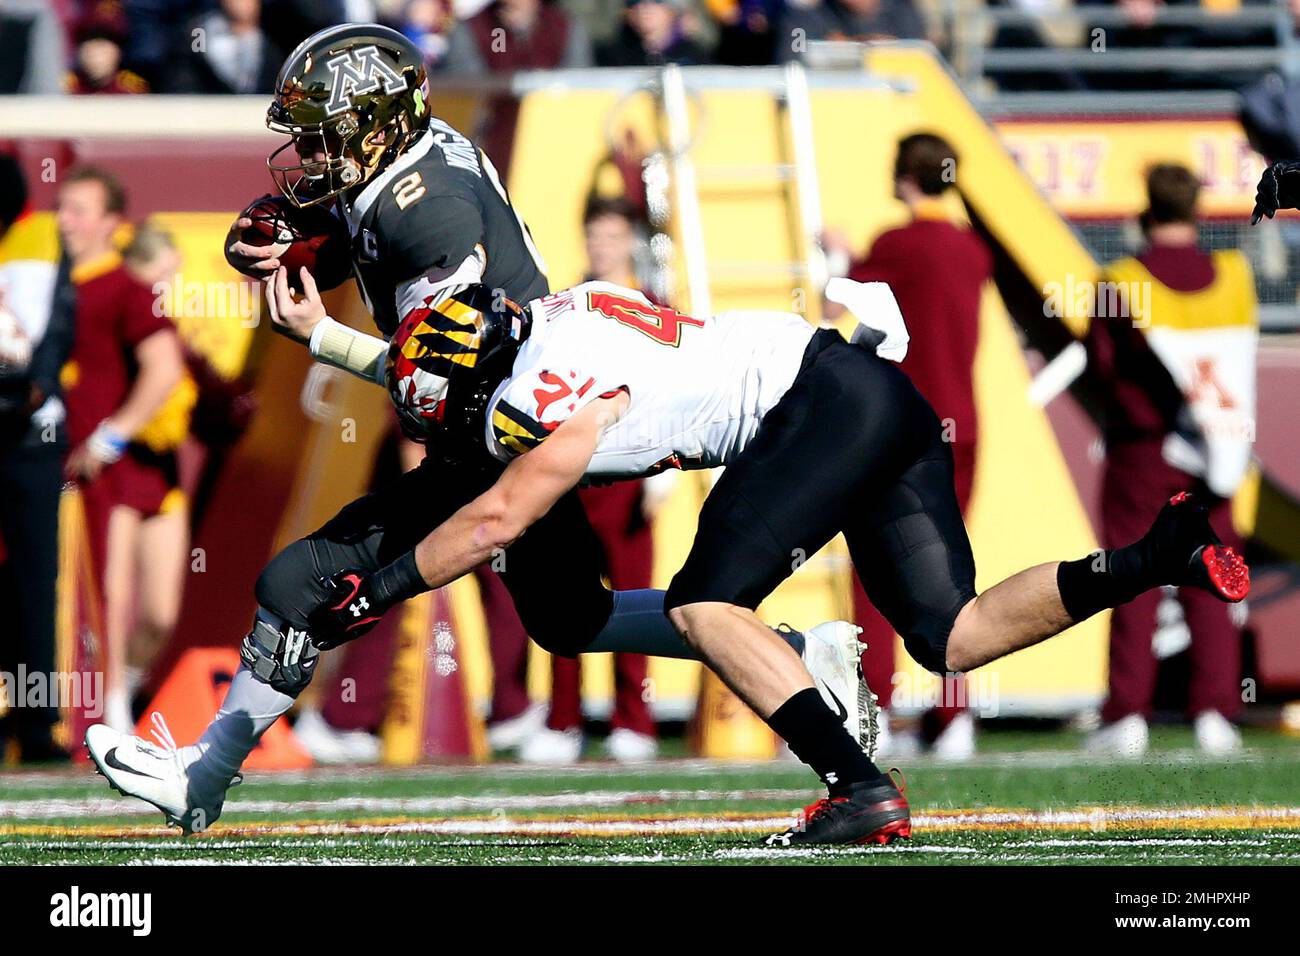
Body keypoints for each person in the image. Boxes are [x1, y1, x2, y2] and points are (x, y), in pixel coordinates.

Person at [85, 24, 867, 833]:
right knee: (566, 618)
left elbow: (432, 376)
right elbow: (346, 222)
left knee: (300, 583)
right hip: (512, 414)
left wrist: (321, 338)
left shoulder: (433, 216)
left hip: (498, 427)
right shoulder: (406, 158)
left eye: (322, 139)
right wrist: (284, 233)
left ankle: (203, 778)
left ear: (378, 127)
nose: (307, 158)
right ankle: (794, 661)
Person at [305, 268, 1248, 847]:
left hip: (819, 404)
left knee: (701, 606)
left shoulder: (531, 403)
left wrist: (374, 589)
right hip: (872, 387)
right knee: (949, 637)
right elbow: (456, 362)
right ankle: (1157, 552)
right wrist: (322, 338)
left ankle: (859, 789)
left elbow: (495, 522)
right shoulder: (560, 311)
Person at [823, 132, 991, 760]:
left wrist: (838, 255)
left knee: (877, 571)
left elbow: (839, 302)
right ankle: (955, 716)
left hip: (897, 429)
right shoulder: (971, 248)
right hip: (963, 426)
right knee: (953, 576)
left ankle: (876, 711)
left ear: (903, 177)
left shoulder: (896, 245)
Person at [1084, 164, 1258, 757]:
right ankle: (1215, 712)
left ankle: (1128, 715)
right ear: (1197, 210)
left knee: (1132, 577)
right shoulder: (1234, 276)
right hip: (1217, 446)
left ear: (1144, 210)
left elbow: (1101, 368)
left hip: (1142, 448)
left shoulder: (1119, 280)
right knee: (1214, 574)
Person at [520, 197, 665, 764]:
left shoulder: (654, 306)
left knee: (636, 600)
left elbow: (668, 388)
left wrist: (664, 476)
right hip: (573, 477)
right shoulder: (566, 306)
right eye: (594, 235)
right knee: (565, 601)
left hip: (630, 477)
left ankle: (636, 719)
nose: (603, 245)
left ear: (629, 240)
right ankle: (563, 721)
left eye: (613, 233)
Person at [58, 170, 188, 733]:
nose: (66, 220)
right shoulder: (54, 285)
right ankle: (105, 717)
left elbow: (166, 370)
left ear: (112, 223)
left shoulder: (122, 288)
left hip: (141, 465)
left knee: (158, 610)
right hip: (97, 477)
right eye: (62, 207)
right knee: (108, 599)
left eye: (80, 209)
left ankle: (123, 698)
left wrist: (109, 436)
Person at [0, 155, 76, 762]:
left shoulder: (43, 237)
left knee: (34, 581)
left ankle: (36, 719)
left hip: (32, 433)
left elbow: (58, 324)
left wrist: (39, 384)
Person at [595, 0, 713, 66]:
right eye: (634, 2)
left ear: (672, 11)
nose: (644, 8)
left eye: (656, 1)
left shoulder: (696, 55)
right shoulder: (614, 56)